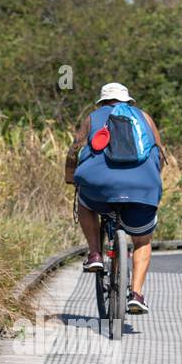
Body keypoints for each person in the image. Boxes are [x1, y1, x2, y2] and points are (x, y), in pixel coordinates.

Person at [64, 82, 164, 315]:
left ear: (102, 102)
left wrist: (70, 177)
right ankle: (136, 294)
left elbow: (74, 150)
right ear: (128, 101)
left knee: (85, 202)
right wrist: (151, 184)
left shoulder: (93, 117)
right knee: (142, 241)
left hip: (101, 187)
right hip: (143, 187)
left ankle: (95, 254)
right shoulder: (145, 118)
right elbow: (159, 153)